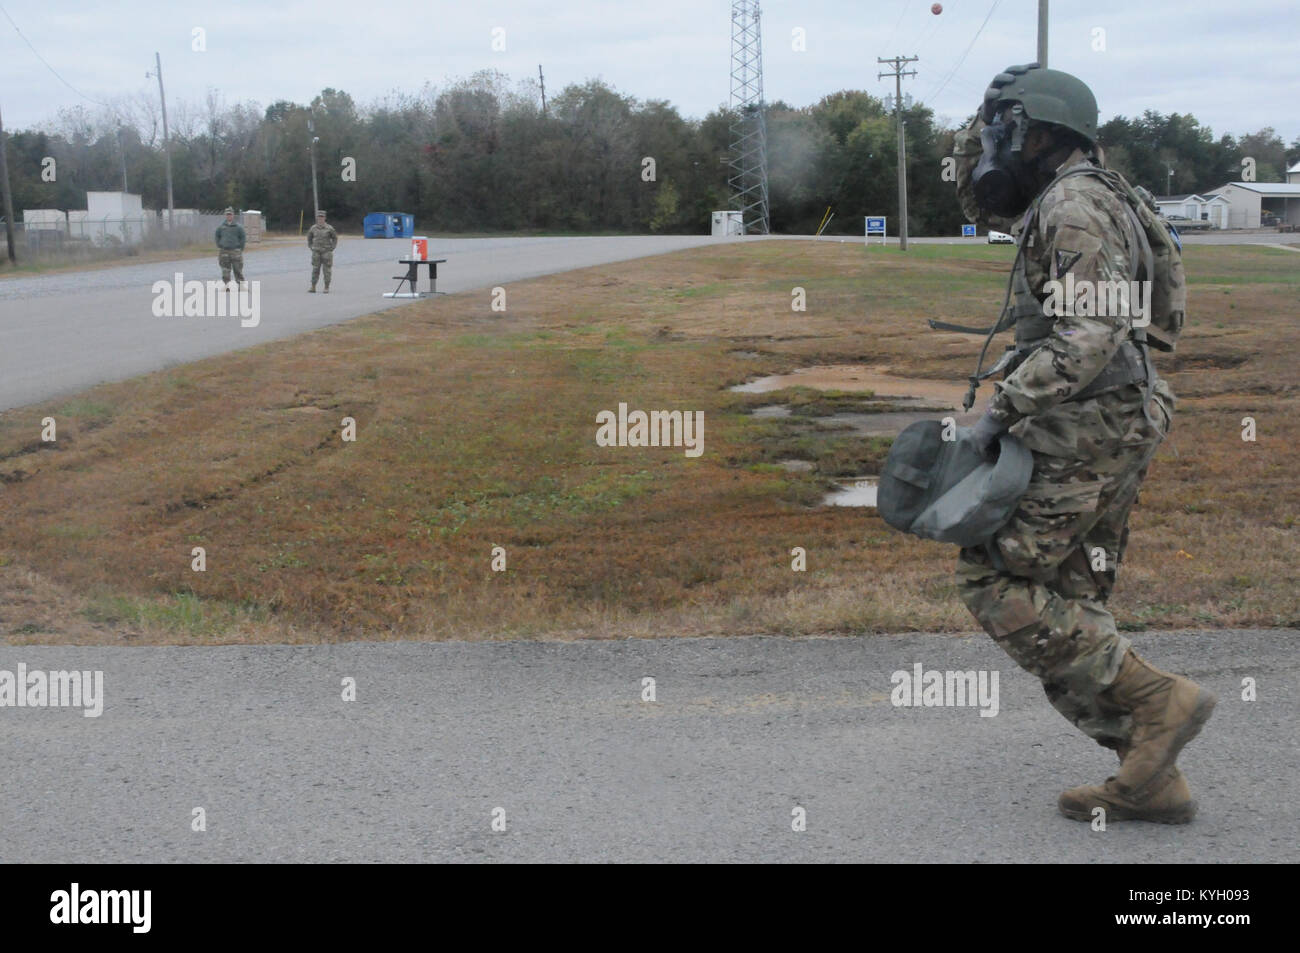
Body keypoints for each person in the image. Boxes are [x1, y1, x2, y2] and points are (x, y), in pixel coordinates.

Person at [951, 64, 1215, 823]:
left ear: (1038, 132)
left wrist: (1004, 408)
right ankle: (1149, 774)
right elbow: (981, 202)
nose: (991, 141)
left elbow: (1091, 331)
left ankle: (1160, 701)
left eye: (1001, 127)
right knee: (1068, 599)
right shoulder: (1081, 193)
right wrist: (979, 145)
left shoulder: (1072, 207)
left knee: (997, 582)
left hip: (1087, 418)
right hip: (1112, 414)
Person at [307, 210, 338, 293]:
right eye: (319, 217)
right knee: (315, 269)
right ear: (317, 218)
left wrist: (332, 247)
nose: (320, 219)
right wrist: (311, 247)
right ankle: (313, 286)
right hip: (316, 252)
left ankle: (326, 287)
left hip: (326, 252)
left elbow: (335, 238)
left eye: (322, 217)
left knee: (327, 270)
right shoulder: (313, 228)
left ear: (325, 218)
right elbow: (309, 238)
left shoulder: (329, 228)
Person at [215, 207, 246, 286]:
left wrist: (240, 248)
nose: (229, 216)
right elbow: (217, 236)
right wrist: (219, 245)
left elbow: (243, 238)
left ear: (233, 215)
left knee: (238, 269)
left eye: (230, 214)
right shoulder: (221, 227)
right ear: (225, 215)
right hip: (224, 252)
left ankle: (241, 285)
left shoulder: (238, 227)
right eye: (227, 215)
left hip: (235, 252)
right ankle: (226, 286)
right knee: (225, 270)